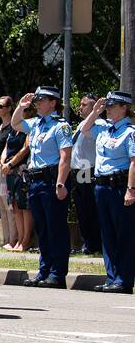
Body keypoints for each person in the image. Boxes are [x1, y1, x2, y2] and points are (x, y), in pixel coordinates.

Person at [10, 86, 72, 288]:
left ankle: (57, 273)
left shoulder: (60, 126)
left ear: (53, 102)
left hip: (52, 180)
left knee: (56, 229)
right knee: (43, 230)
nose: (36, 103)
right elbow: (15, 123)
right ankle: (44, 270)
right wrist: (21, 105)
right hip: (35, 181)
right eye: (36, 100)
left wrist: (61, 183)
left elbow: (65, 157)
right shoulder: (36, 124)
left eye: (41, 100)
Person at [78, 90, 135, 293]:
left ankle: (124, 279)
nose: (108, 109)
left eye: (112, 106)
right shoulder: (104, 129)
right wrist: (94, 112)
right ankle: (112, 277)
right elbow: (84, 129)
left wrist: (131, 189)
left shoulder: (130, 132)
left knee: (124, 234)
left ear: (124, 108)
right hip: (101, 186)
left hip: (119, 187)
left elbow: (134, 162)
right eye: (107, 106)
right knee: (107, 234)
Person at [70, 92, 102, 256]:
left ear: (94, 106)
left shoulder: (100, 124)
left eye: (84, 105)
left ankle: (95, 243)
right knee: (82, 209)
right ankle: (88, 242)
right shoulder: (82, 124)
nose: (80, 107)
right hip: (78, 170)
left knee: (91, 208)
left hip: (89, 169)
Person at [0, 95, 19, 248]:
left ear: (9, 108)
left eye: (0, 106)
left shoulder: (12, 128)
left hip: (4, 168)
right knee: (0, 205)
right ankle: (5, 239)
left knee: (8, 204)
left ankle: (13, 239)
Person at [1, 114, 33, 251]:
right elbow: (6, 147)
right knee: (14, 205)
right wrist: (3, 163)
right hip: (9, 171)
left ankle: (26, 240)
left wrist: (11, 164)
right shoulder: (14, 129)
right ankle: (19, 239)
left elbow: (26, 149)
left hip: (21, 170)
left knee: (24, 205)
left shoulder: (30, 127)